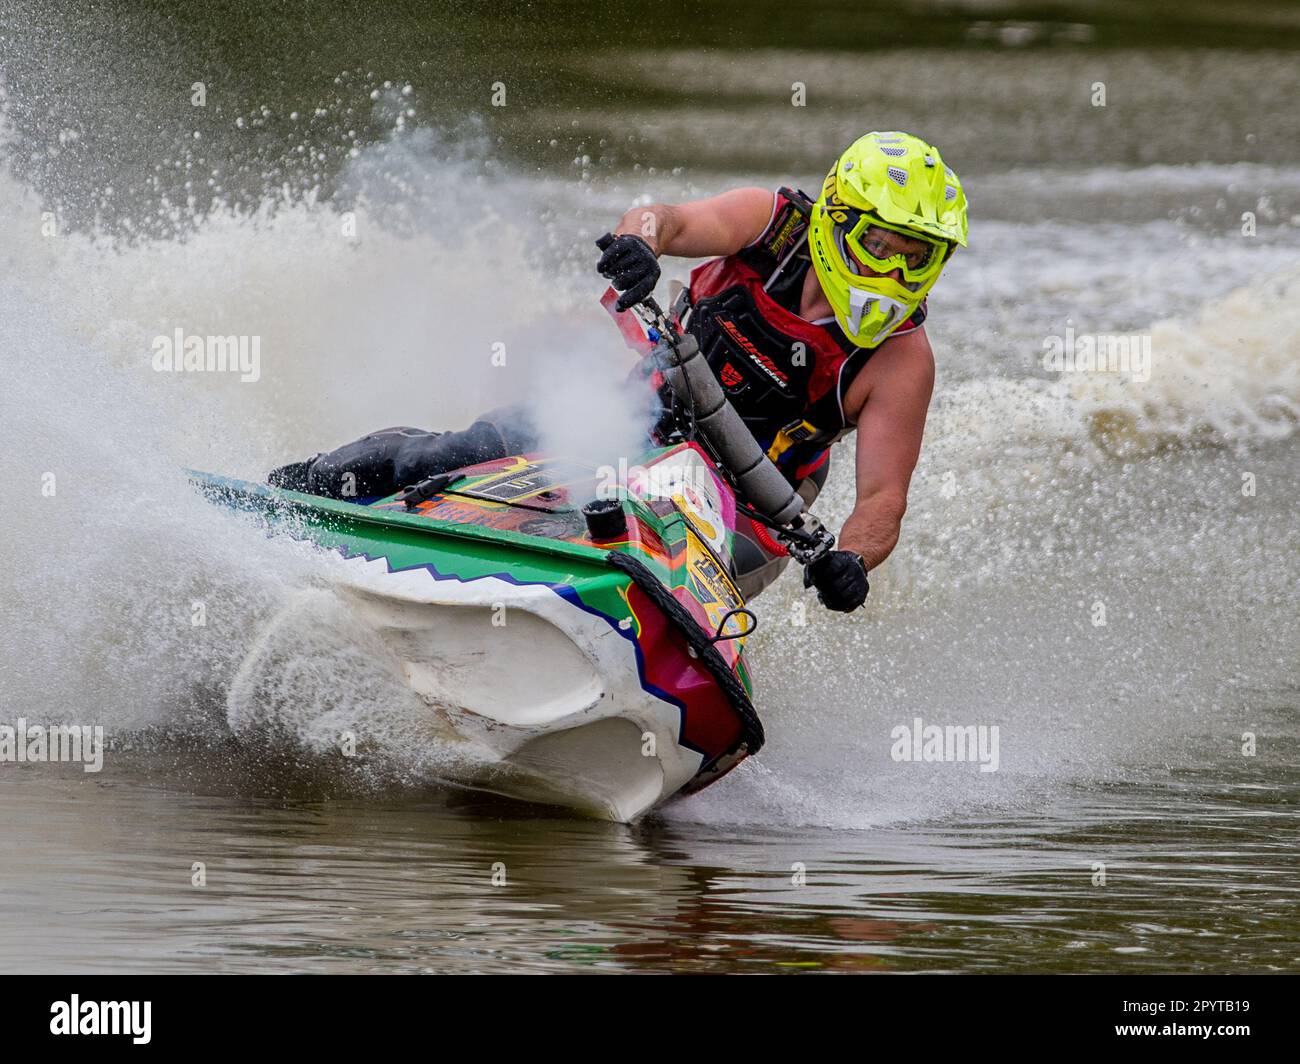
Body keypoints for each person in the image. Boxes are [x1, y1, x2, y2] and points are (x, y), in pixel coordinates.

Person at [269, 131, 968, 613]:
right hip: (635, 415)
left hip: (746, 509)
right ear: (838, 219)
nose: (896, 272)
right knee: (452, 456)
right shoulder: (771, 222)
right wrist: (640, 243)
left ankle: (634, 665)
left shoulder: (901, 359)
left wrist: (852, 559)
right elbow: (663, 218)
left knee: (662, 580)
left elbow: (882, 502)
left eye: (918, 257)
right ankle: (280, 502)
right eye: (882, 245)